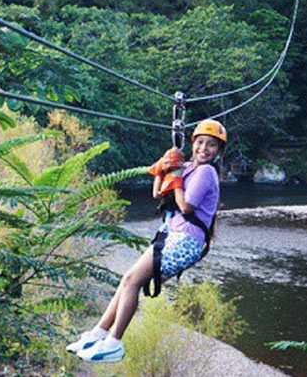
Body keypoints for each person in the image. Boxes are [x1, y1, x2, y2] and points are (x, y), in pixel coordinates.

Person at [66, 119, 227, 363]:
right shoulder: (189, 168)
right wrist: (164, 169)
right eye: (201, 143)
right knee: (127, 280)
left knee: (131, 281)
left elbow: (185, 206)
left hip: (185, 240)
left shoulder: (206, 172)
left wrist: (176, 176)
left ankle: (114, 342)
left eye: (212, 146)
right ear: (193, 144)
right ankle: (97, 334)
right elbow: (157, 192)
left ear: (219, 152)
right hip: (172, 235)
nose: (204, 149)